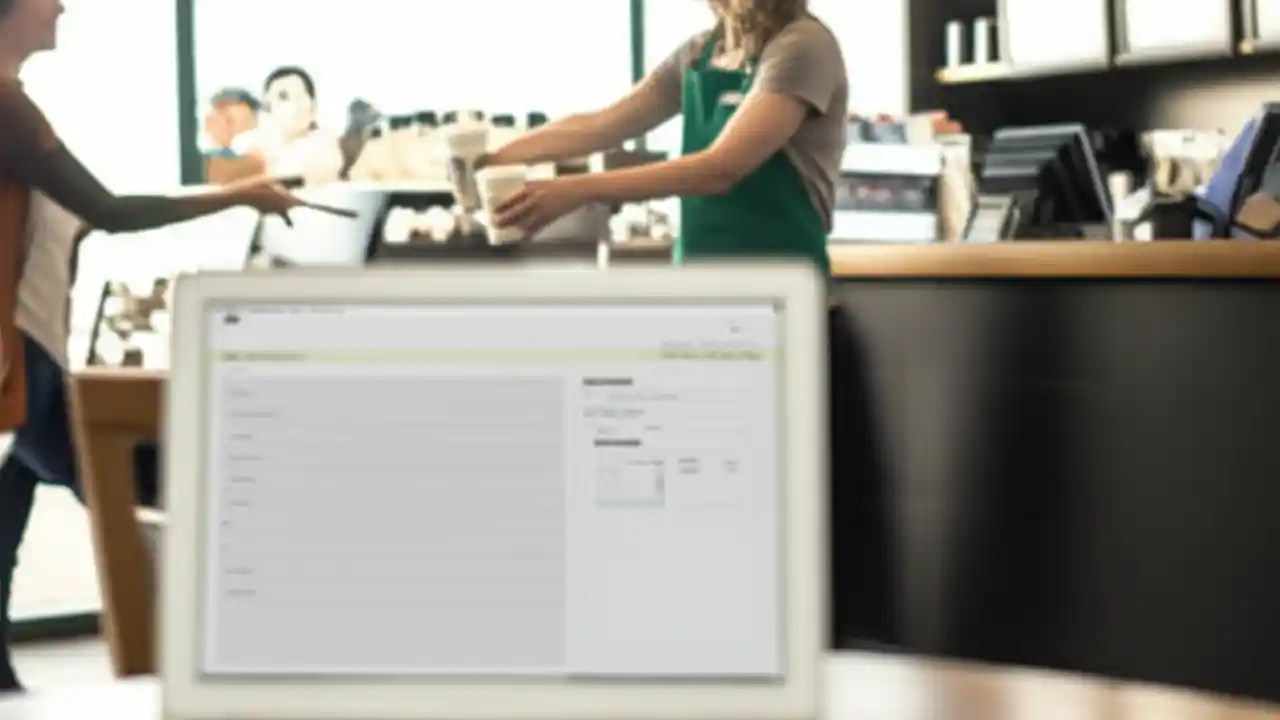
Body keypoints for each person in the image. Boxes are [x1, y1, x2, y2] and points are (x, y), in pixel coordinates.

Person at [0, 0, 305, 691]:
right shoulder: (7, 107)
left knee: (16, 502)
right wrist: (240, 196)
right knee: (135, 485)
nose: (61, 5)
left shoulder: (14, 104)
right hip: (20, 347)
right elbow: (107, 211)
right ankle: (231, 643)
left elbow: (65, 220)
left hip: (30, 340)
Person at [487, 0, 847, 274]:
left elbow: (720, 168)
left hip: (785, 299)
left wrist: (577, 189)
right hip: (703, 290)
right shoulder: (700, 53)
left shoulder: (802, 45)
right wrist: (494, 157)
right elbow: (604, 125)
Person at [231, 65, 344, 185]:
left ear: (313, 106)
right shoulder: (248, 142)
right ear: (268, 106)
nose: (295, 105)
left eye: (301, 96)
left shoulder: (324, 144)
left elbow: (289, 175)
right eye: (284, 96)